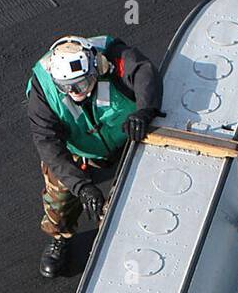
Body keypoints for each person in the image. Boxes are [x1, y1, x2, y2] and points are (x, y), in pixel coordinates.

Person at [27, 32, 164, 278]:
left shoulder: (114, 56)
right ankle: (61, 236)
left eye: (81, 84)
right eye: (66, 88)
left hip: (128, 137)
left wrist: (145, 111)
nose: (75, 93)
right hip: (78, 149)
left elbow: (145, 72)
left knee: (139, 194)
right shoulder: (42, 90)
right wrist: (82, 187)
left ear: (96, 68)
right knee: (59, 198)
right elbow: (48, 144)